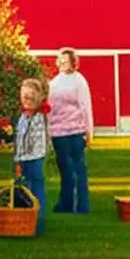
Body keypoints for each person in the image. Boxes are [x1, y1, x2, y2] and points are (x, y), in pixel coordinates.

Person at [47, 47, 93, 214]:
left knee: (79, 170)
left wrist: (88, 131)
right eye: (62, 61)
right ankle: (65, 204)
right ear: (58, 62)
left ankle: (82, 205)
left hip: (75, 131)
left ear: (74, 63)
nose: (65, 64)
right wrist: (48, 131)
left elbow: (85, 106)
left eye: (68, 61)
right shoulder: (53, 84)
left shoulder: (79, 81)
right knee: (66, 170)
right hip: (58, 133)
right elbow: (49, 110)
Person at [14, 78, 49, 235]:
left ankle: (37, 223)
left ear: (38, 100)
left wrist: (23, 158)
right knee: (23, 190)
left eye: (30, 98)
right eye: (24, 98)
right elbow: (19, 140)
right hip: (23, 159)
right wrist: (18, 160)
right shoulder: (23, 117)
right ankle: (23, 222)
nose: (27, 101)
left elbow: (33, 143)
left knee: (35, 191)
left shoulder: (38, 119)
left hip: (34, 159)